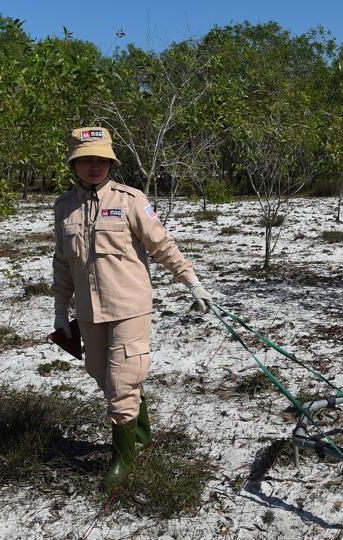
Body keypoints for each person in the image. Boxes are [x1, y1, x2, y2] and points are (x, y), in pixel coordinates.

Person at [51, 127, 214, 489]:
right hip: (89, 311)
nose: (95, 166)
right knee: (100, 373)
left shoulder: (131, 200)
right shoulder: (63, 207)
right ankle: (140, 435)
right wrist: (61, 310)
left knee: (121, 382)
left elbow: (162, 245)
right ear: (74, 164)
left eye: (101, 159)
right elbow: (62, 262)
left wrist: (191, 281)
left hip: (130, 306)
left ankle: (123, 460)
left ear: (111, 163)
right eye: (86, 160)